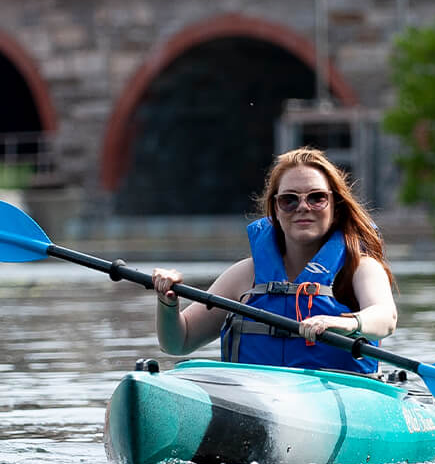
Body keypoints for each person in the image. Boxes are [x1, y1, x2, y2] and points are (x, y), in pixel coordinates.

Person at [151, 147, 397, 372]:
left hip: (338, 394)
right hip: (255, 396)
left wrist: (346, 323)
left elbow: (386, 318)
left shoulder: (360, 268)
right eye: (289, 200)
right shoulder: (246, 275)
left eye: (316, 198)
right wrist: (168, 304)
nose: (303, 207)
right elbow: (178, 343)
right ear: (275, 210)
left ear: (335, 208)